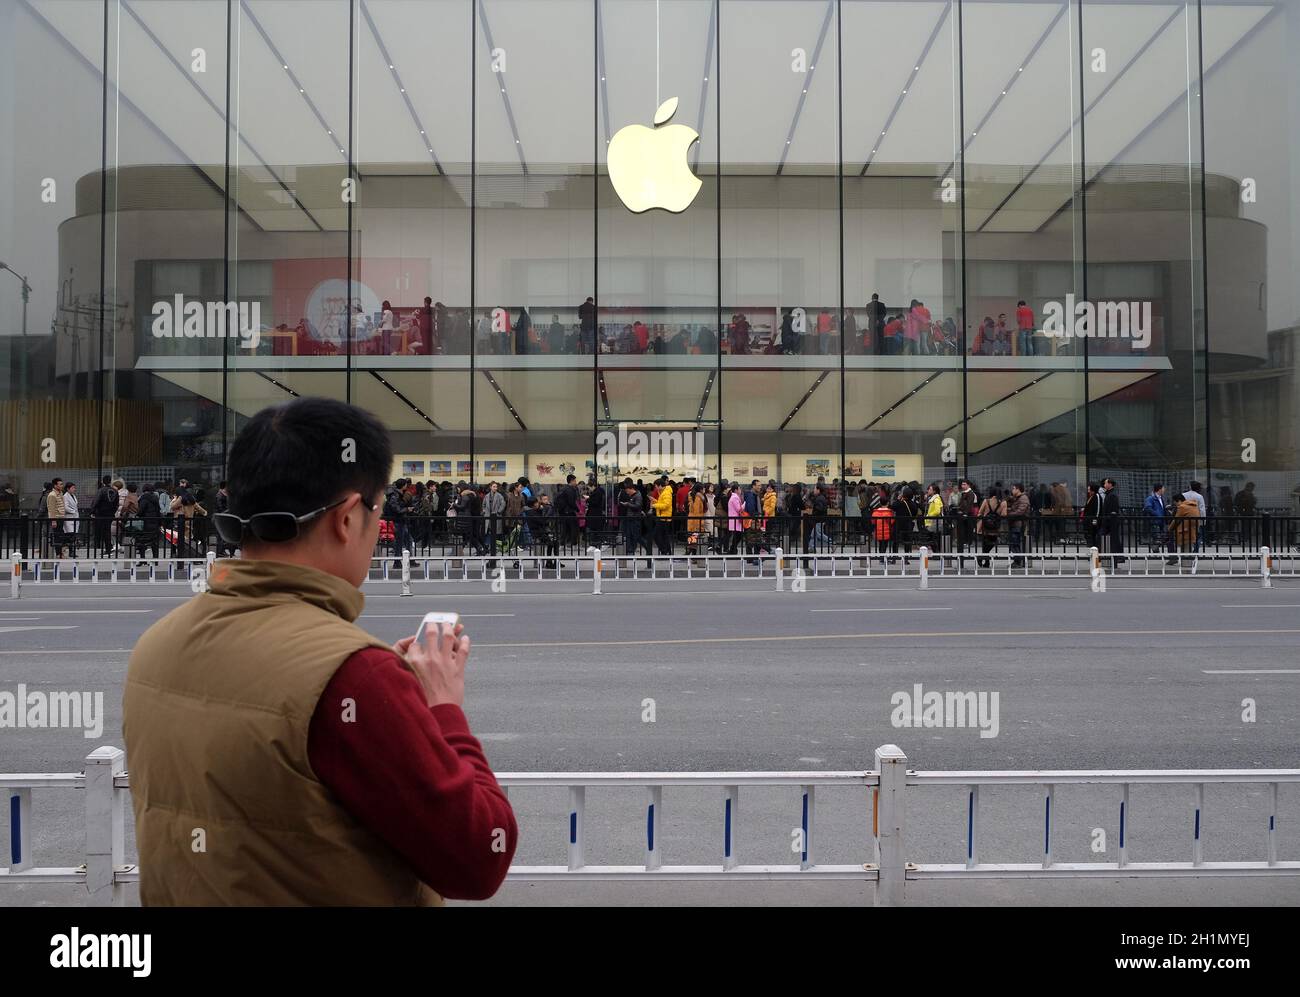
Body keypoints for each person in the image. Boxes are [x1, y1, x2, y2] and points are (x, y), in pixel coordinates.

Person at [124, 398, 517, 906]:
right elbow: (480, 856)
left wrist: (396, 703)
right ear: (349, 517)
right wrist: (441, 708)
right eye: (379, 508)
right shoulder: (356, 676)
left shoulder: (156, 645)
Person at [975, 485, 1004, 568]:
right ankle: (986, 562)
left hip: (986, 526)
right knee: (992, 542)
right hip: (995, 527)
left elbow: (980, 512)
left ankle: (982, 558)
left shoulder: (986, 501)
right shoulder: (1002, 502)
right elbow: (1004, 514)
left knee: (985, 543)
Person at [91, 474, 119, 557]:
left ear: (103, 482)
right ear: (110, 481)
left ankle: (107, 548)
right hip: (110, 514)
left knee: (102, 531)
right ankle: (108, 547)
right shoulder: (115, 491)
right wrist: (113, 512)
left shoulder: (101, 490)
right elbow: (116, 504)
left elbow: (96, 502)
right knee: (107, 531)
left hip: (101, 514)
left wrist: (92, 511)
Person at [136, 483, 163, 566]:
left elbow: (141, 511)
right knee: (154, 542)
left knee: (142, 541)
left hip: (146, 522)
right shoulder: (155, 498)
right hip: (155, 522)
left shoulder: (144, 498)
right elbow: (158, 511)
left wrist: (137, 514)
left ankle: (143, 560)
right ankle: (155, 560)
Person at [1005, 482, 1030, 565]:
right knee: (1013, 543)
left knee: (1015, 543)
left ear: (1018, 489)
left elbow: (1020, 511)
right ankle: (1017, 560)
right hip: (1015, 524)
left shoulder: (1023, 498)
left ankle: (1018, 561)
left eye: (1013, 488)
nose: (1012, 490)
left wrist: (1008, 514)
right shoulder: (1018, 498)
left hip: (1018, 524)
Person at [617, 478, 643, 556]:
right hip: (630, 517)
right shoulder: (633, 495)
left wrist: (628, 504)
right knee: (629, 534)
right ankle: (630, 550)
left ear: (631, 488)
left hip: (634, 518)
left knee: (634, 535)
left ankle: (636, 548)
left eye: (627, 490)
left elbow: (638, 506)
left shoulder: (637, 495)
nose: (627, 493)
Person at [1101, 477, 1124, 563]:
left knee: (1114, 538)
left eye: (1106, 483)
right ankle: (1117, 556)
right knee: (1114, 538)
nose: (1104, 485)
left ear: (1110, 484)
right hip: (1110, 520)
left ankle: (1117, 556)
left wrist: (1109, 519)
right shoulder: (1110, 494)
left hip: (1111, 520)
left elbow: (1113, 509)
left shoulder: (1112, 495)